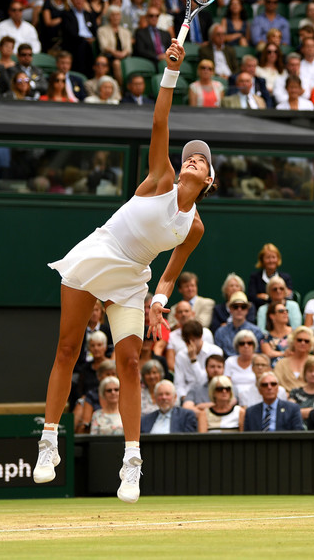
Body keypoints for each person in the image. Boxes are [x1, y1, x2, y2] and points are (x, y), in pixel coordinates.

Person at [36, 41, 213, 504]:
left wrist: (159, 301)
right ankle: (49, 441)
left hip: (134, 276)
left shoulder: (193, 227)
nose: (193, 160)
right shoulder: (160, 178)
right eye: (190, 156)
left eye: (202, 160)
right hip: (100, 252)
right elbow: (160, 122)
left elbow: (172, 272)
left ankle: (131, 462)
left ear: (208, 182)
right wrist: (170, 73)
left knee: (131, 363)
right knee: (68, 347)